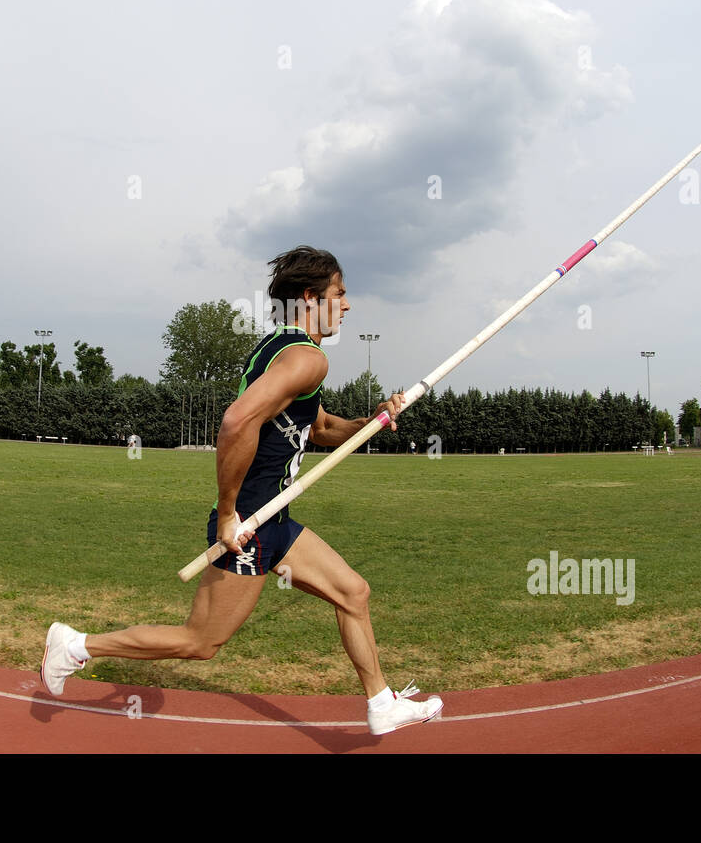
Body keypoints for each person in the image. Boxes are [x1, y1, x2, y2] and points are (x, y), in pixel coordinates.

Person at [40, 246, 443, 735]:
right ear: (312, 297)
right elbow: (236, 422)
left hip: (275, 520)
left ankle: (380, 701)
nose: (348, 304)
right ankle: (77, 645)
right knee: (201, 641)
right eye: (340, 293)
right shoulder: (307, 359)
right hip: (249, 524)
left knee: (353, 592)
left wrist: (372, 421)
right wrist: (229, 514)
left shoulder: (278, 351)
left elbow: (318, 429)